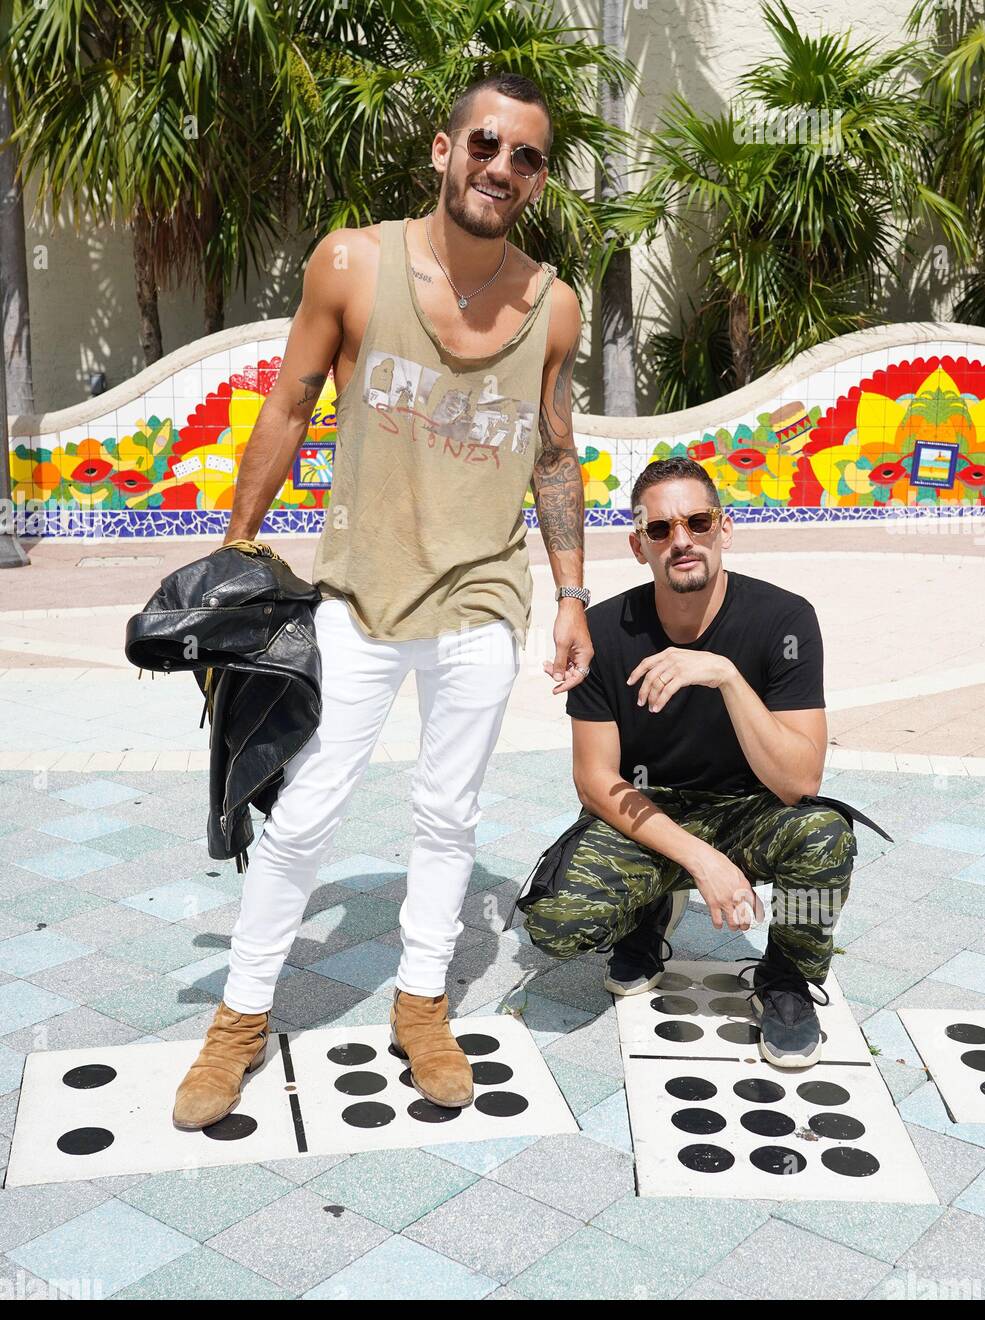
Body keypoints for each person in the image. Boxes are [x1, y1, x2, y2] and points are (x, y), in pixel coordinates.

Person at [173, 71, 592, 1129]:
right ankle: (238, 1021)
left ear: (538, 181)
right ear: (443, 150)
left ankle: (420, 1005)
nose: (502, 166)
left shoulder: (553, 306)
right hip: (358, 598)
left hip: (485, 602)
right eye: (485, 144)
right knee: (302, 816)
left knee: (448, 816)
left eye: (526, 156)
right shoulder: (351, 262)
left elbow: (554, 453)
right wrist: (234, 548)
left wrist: (574, 591)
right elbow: (288, 403)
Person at [521, 457, 859, 1069]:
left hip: (750, 812)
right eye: (660, 529)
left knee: (825, 836)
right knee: (557, 923)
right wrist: (699, 860)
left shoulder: (784, 620)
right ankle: (650, 912)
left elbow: (801, 780)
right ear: (638, 545)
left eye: (697, 522)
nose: (681, 541)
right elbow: (596, 781)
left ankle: (786, 977)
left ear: (722, 529)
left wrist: (727, 677)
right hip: (655, 813)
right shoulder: (604, 630)